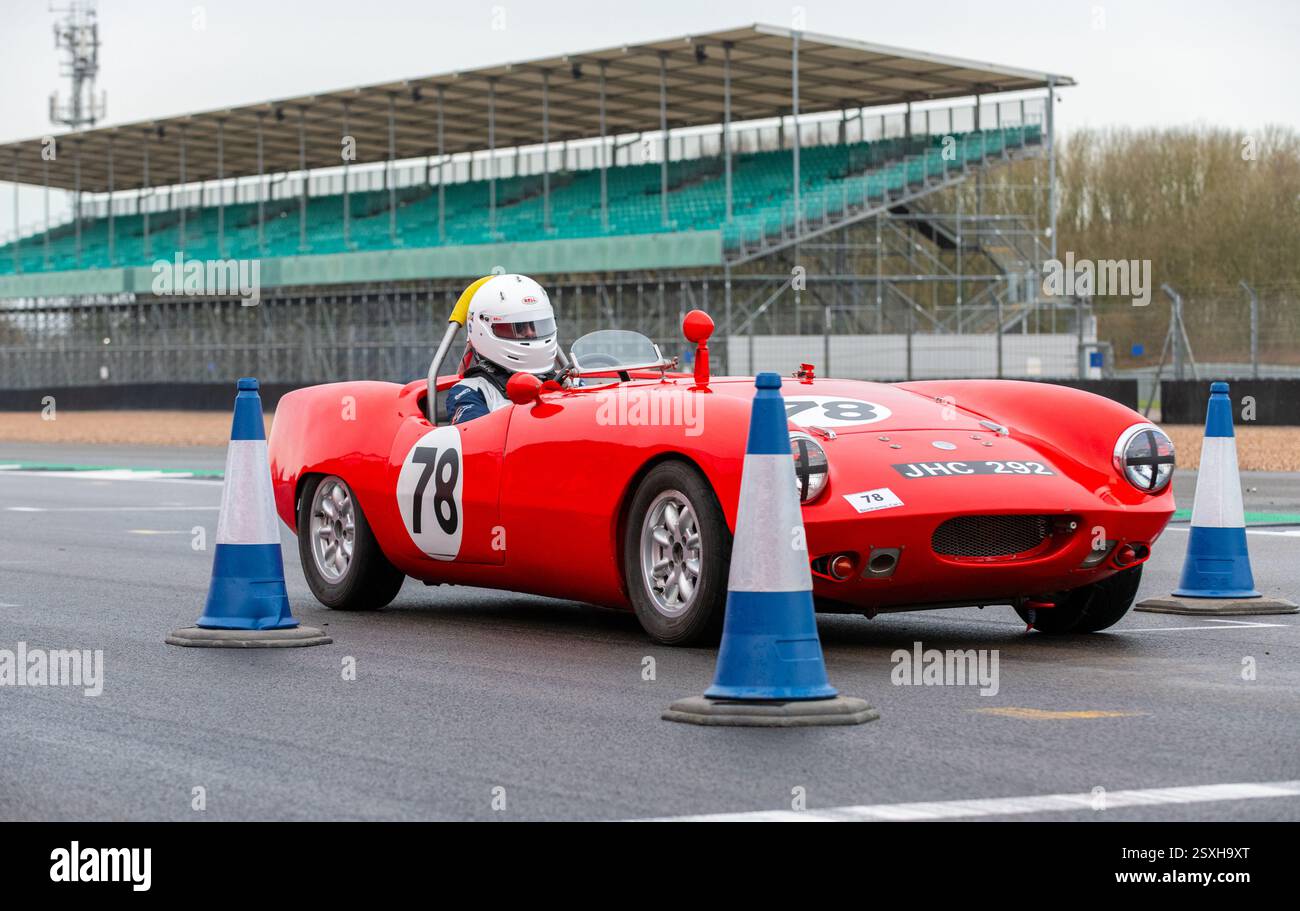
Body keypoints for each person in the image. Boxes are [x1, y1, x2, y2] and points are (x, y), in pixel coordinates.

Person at [446, 273, 559, 424]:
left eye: (535, 326)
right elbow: (477, 442)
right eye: (518, 327)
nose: (531, 333)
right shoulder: (470, 391)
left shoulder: (566, 381)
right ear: (484, 329)